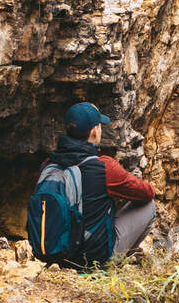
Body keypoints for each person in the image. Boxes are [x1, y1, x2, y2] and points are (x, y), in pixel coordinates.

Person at [39, 101, 156, 264]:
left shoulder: (48, 165)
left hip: (56, 256)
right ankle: (115, 263)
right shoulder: (104, 166)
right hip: (94, 259)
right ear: (95, 131)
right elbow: (147, 193)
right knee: (149, 206)